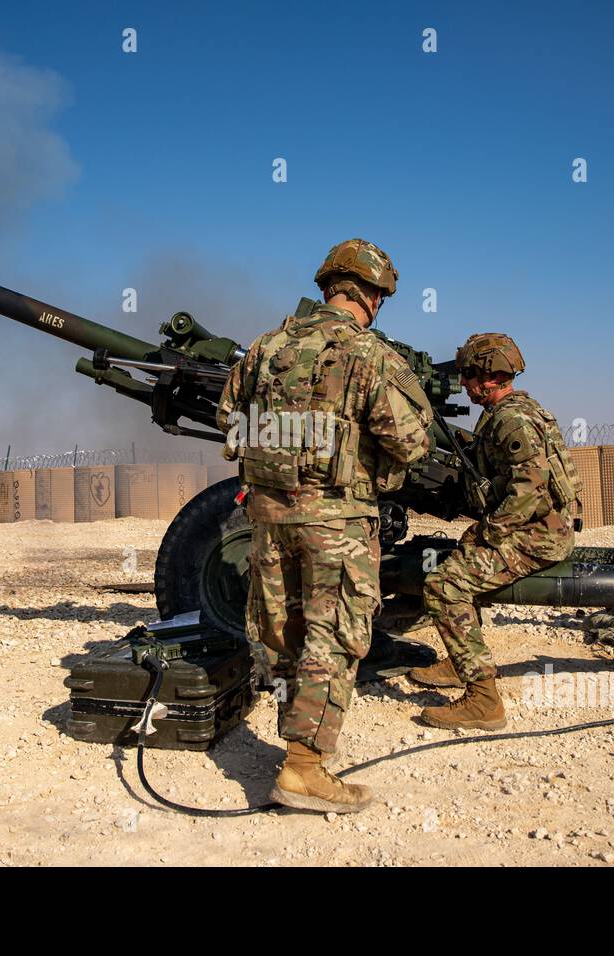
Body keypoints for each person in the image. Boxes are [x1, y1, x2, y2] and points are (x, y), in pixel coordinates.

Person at [217, 239, 433, 813]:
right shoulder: (370, 355)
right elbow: (410, 440)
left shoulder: (264, 348)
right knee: (331, 636)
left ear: (328, 287)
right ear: (372, 295)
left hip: (267, 520)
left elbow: (228, 421)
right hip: (335, 523)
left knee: (284, 632)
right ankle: (304, 769)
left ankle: (295, 749)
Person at [410, 333, 582, 730]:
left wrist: (488, 532)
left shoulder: (511, 419)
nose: (465, 385)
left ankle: (483, 700)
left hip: (538, 534)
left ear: (487, 377)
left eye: (468, 376)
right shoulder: (514, 411)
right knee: (463, 560)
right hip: (539, 526)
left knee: (443, 586)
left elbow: (530, 489)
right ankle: (462, 660)